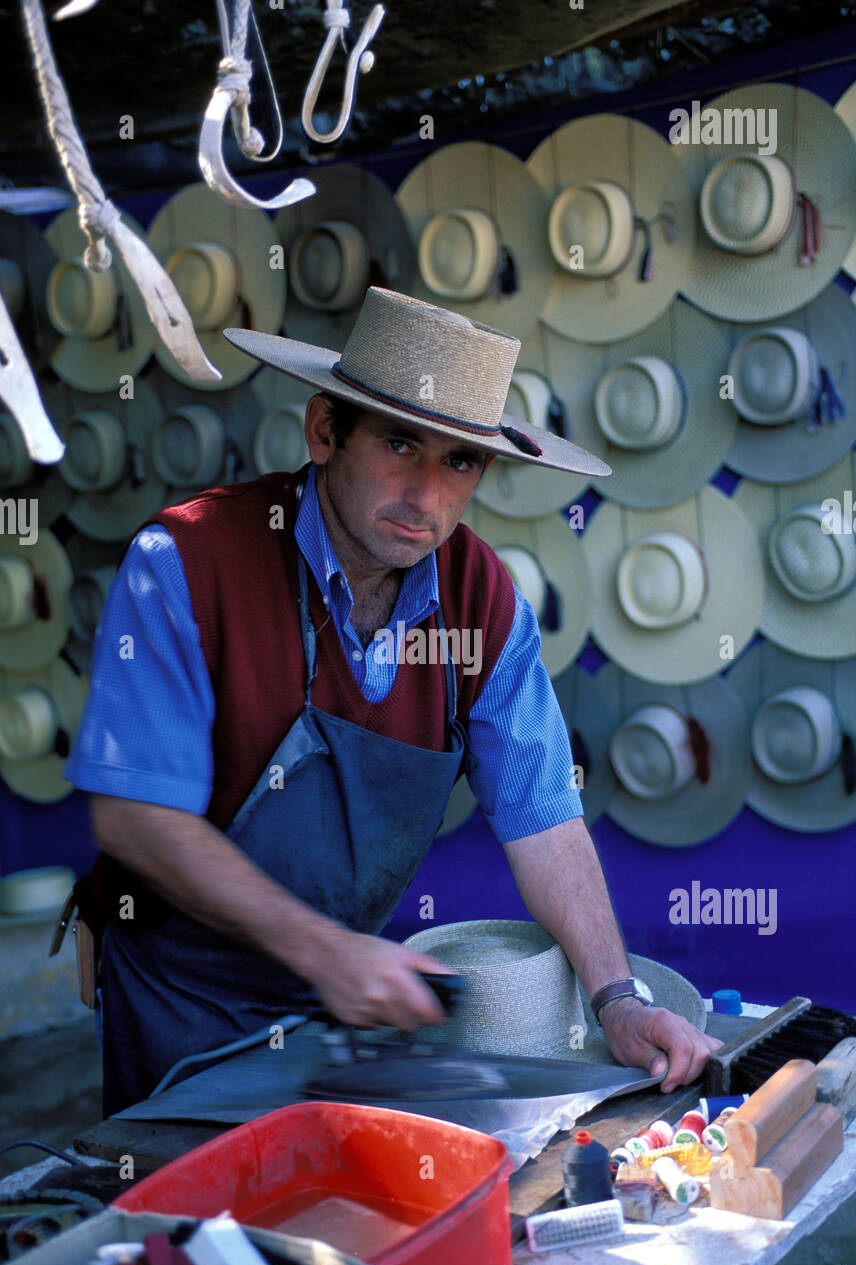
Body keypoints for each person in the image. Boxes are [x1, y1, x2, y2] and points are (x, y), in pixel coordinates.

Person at [66, 288, 719, 1114]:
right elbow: (136, 820)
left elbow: (544, 816)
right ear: (324, 432)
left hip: (350, 997)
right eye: (400, 444)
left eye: (460, 461)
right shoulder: (186, 564)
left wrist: (617, 998)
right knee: (199, 1218)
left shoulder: (485, 602)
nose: (426, 496)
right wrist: (329, 952)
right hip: (184, 991)